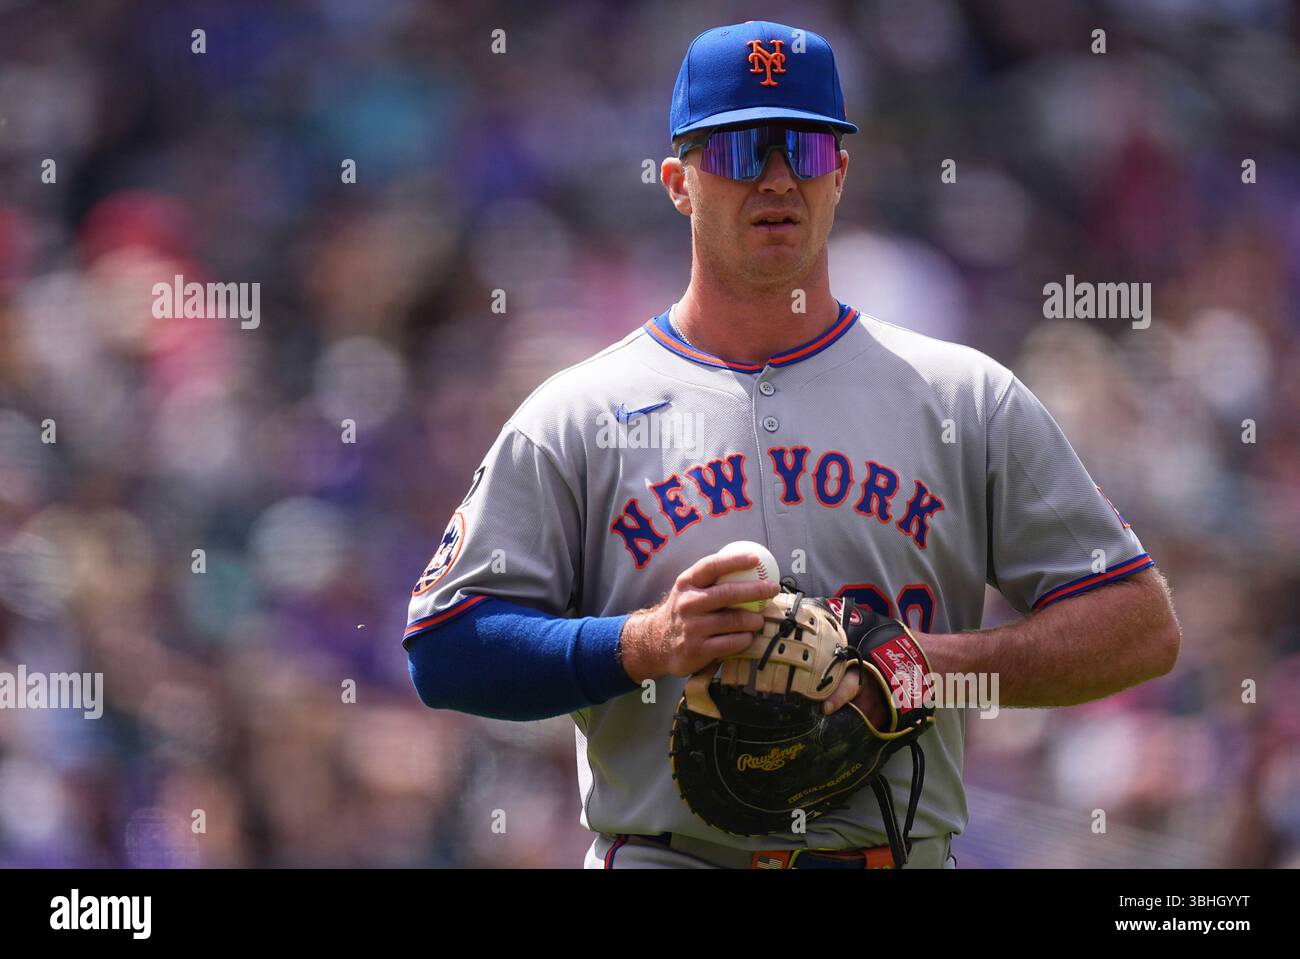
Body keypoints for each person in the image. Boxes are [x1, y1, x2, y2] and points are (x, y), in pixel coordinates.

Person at [404, 20, 1181, 869]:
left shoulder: (964, 396)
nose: (777, 179)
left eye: (805, 150)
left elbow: (1138, 628)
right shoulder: (582, 410)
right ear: (678, 182)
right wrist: (645, 644)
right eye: (740, 151)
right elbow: (447, 648)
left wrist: (923, 668)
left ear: (840, 174)